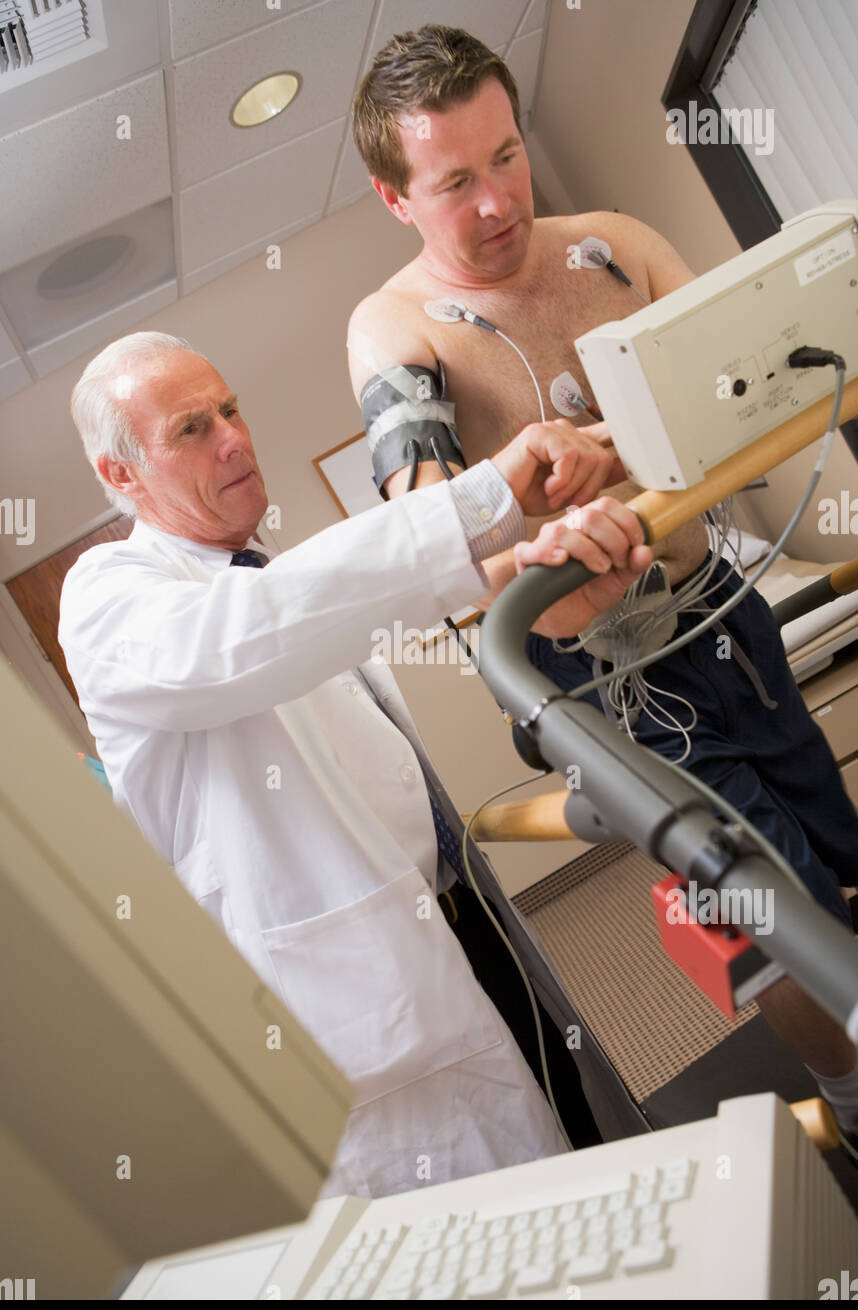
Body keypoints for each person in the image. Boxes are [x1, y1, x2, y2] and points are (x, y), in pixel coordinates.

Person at [347, 22, 858, 1158]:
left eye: (504, 156)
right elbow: (423, 504)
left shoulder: (612, 247)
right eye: (451, 182)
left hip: (717, 614)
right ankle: (857, 1102)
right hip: (597, 677)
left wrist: (608, 453)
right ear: (395, 198)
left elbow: (758, 385)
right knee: (764, 907)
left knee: (829, 839)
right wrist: (530, 503)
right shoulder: (396, 325)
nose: (493, 202)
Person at [58, 330, 653, 1200]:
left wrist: (530, 571)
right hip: (359, 1000)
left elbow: (314, 626)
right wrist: (486, 494)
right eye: (192, 428)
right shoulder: (110, 593)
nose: (233, 437)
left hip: (457, 919)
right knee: (484, 1227)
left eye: (231, 409)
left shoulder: (258, 573)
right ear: (121, 476)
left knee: (574, 1140)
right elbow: (246, 638)